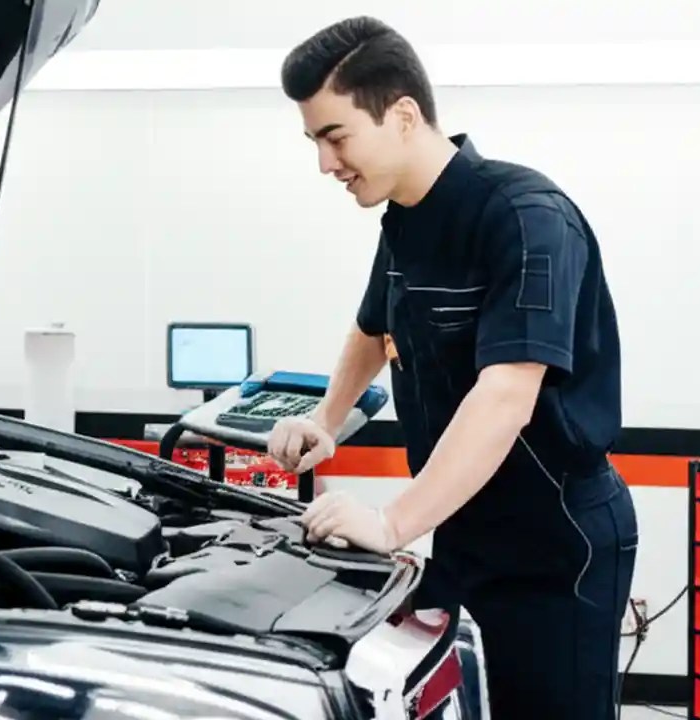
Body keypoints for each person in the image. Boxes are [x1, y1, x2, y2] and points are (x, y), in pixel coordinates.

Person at [267, 16, 639, 720]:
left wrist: (393, 522)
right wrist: (326, 419)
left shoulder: (528, 218)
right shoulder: (406, 219)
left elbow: (506, 396)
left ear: (402, 115)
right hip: (466, 528)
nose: (325, 163)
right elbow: (373, 325)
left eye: (334, 136)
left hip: (556, 544)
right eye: (314, 141)